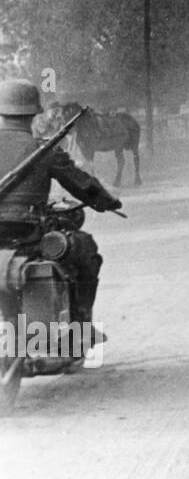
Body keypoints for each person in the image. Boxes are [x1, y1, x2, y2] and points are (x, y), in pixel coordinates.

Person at [0, 79, 121, 344]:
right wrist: (107, 201)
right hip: (28, 233)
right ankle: (82, 325)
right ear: (34, 113)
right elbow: (81, 183)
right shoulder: (43, 149)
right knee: (86, 249)